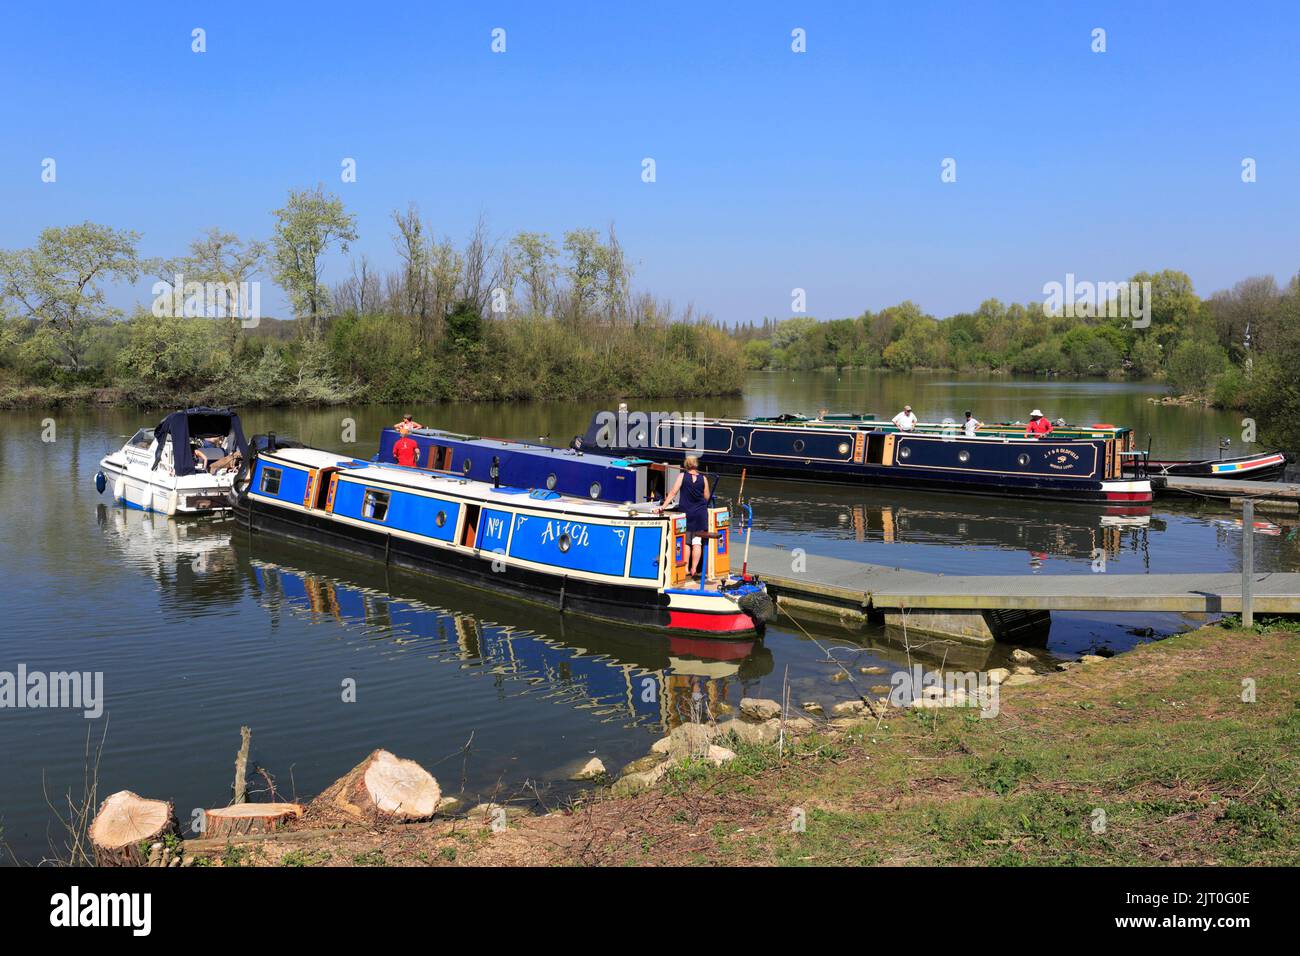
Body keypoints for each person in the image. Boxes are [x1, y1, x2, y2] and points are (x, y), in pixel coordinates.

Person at [658, 456, 710, 583]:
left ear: (686, 465)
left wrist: (662, 507)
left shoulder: (682, 476)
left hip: (686, 513)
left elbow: (673, 492)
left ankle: (686, 568)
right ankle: (694, 568)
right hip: (700, 514)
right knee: (697, 541)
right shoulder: (703, 478)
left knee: (686, 542)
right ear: (696, 465)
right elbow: (707, 497)